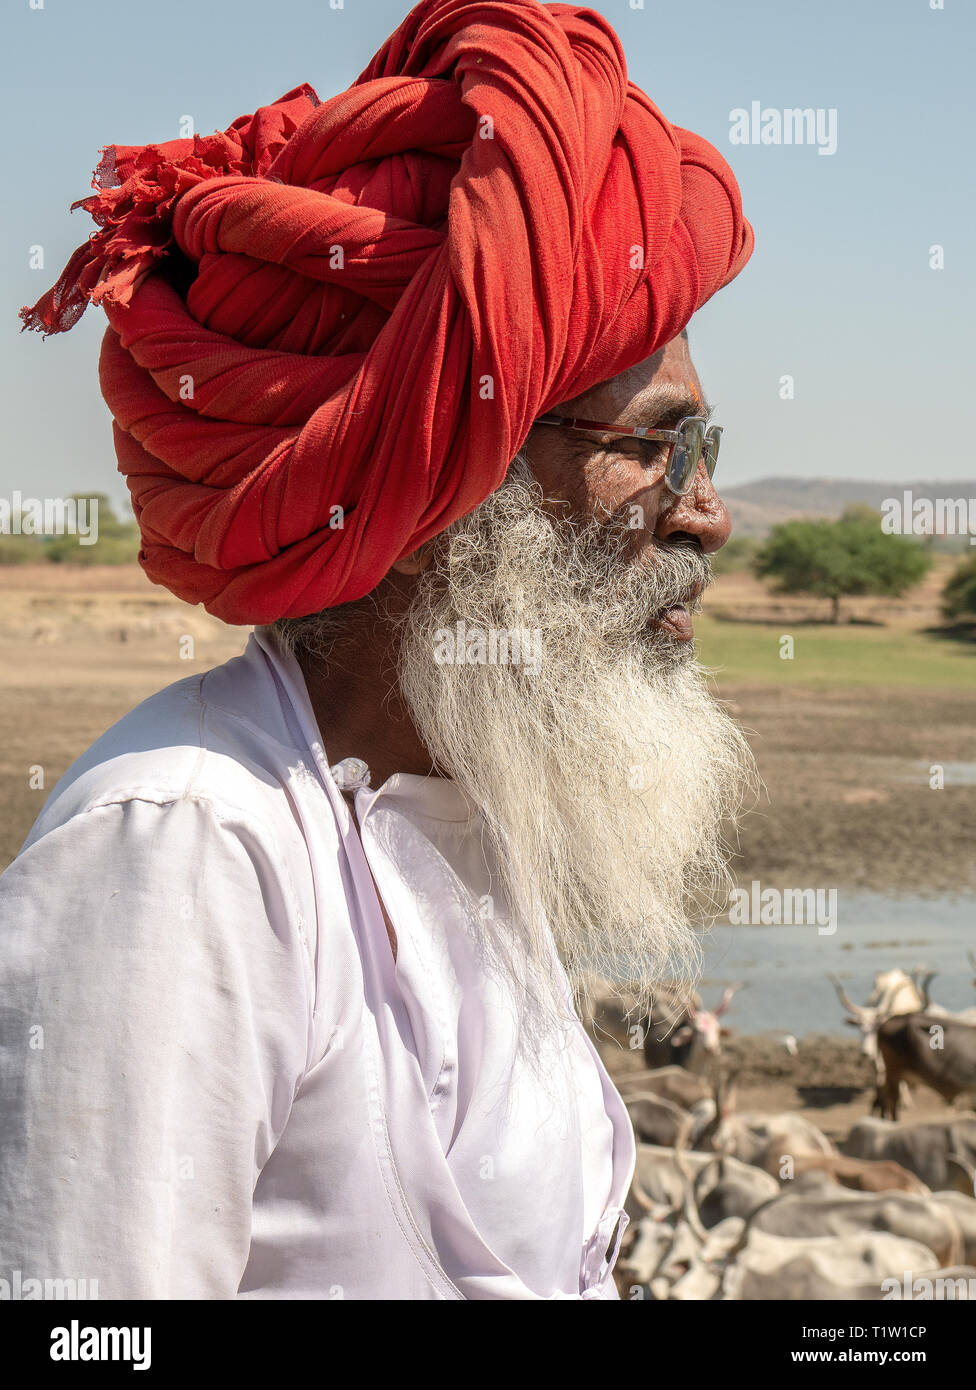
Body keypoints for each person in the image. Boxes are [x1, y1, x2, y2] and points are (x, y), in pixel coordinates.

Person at [2, 0, 755, 1299]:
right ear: (433, 502)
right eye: (652, 447)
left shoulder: (477, 814)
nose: (707, 510)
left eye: (706, 449)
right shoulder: (187, 850)